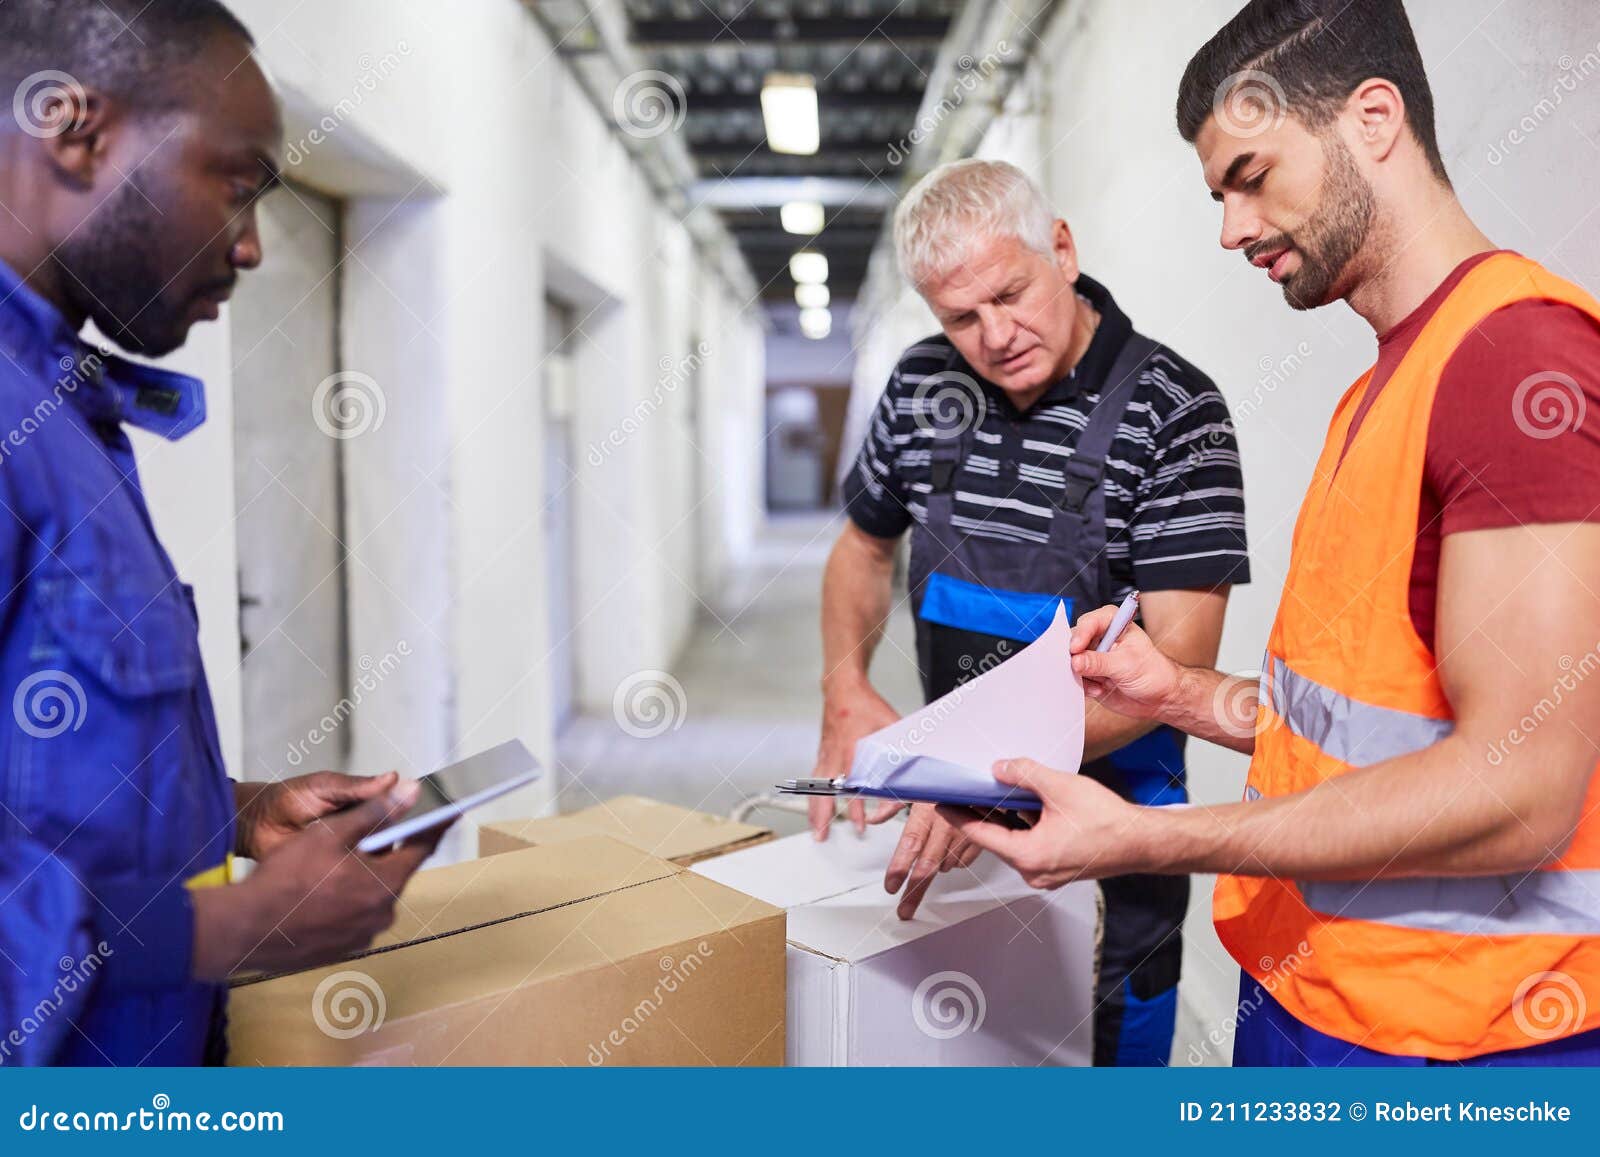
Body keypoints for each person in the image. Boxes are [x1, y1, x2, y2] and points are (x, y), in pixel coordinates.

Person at [944, 0, 1600, 1066]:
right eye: (1216, 193)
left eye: (1249, 176)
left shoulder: (1514, 362)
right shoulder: (1381, 383)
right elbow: (1365, 724)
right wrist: (1182, 694)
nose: (1230, 229)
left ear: (1372, 119)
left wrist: (1149, 837)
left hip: (1456, 1040)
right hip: (1317, 996)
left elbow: (1515, 791)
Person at [0, 0, 445, 1066]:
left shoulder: (59, 408)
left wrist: (238, 814)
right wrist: (224, 926)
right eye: (235, 184)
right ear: (74, 128)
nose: (249, 245)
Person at [813, 159, 1250, 1065]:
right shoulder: (922, 387)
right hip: (957, 820)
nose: (995, 336)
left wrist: (974, 766)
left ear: (1061, 247)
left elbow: (1176, 663)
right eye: (960, 317)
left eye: (1011, 294)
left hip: (1112, 833)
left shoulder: (1176, 413)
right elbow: (863, 544)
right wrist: (845, 681)